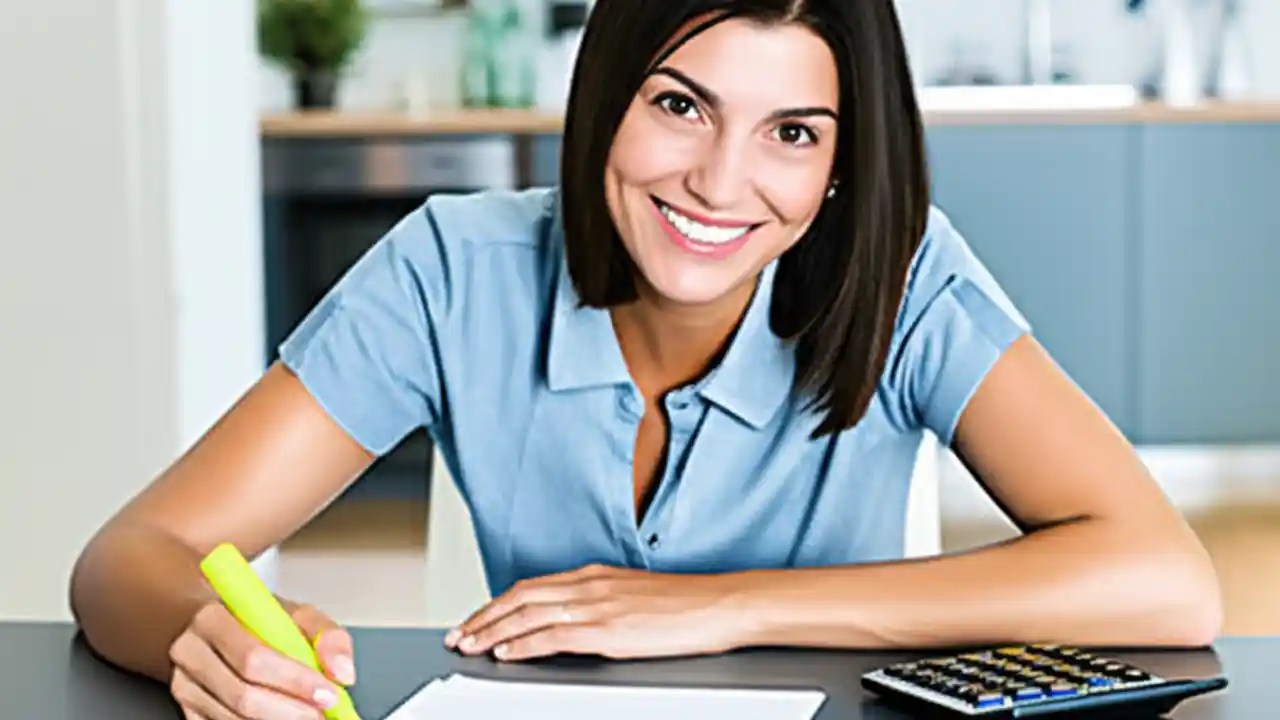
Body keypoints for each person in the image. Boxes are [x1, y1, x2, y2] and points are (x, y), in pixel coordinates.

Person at [70, 0, 1222, 718]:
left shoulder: (905, 277)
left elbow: (1164, 582)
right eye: (679, 104)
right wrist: (205, 638)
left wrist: (717, 608)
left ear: (837, 168)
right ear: (602, 105)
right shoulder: (451, 270)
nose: (720, 184)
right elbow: (131, 556)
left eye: (791, 133)